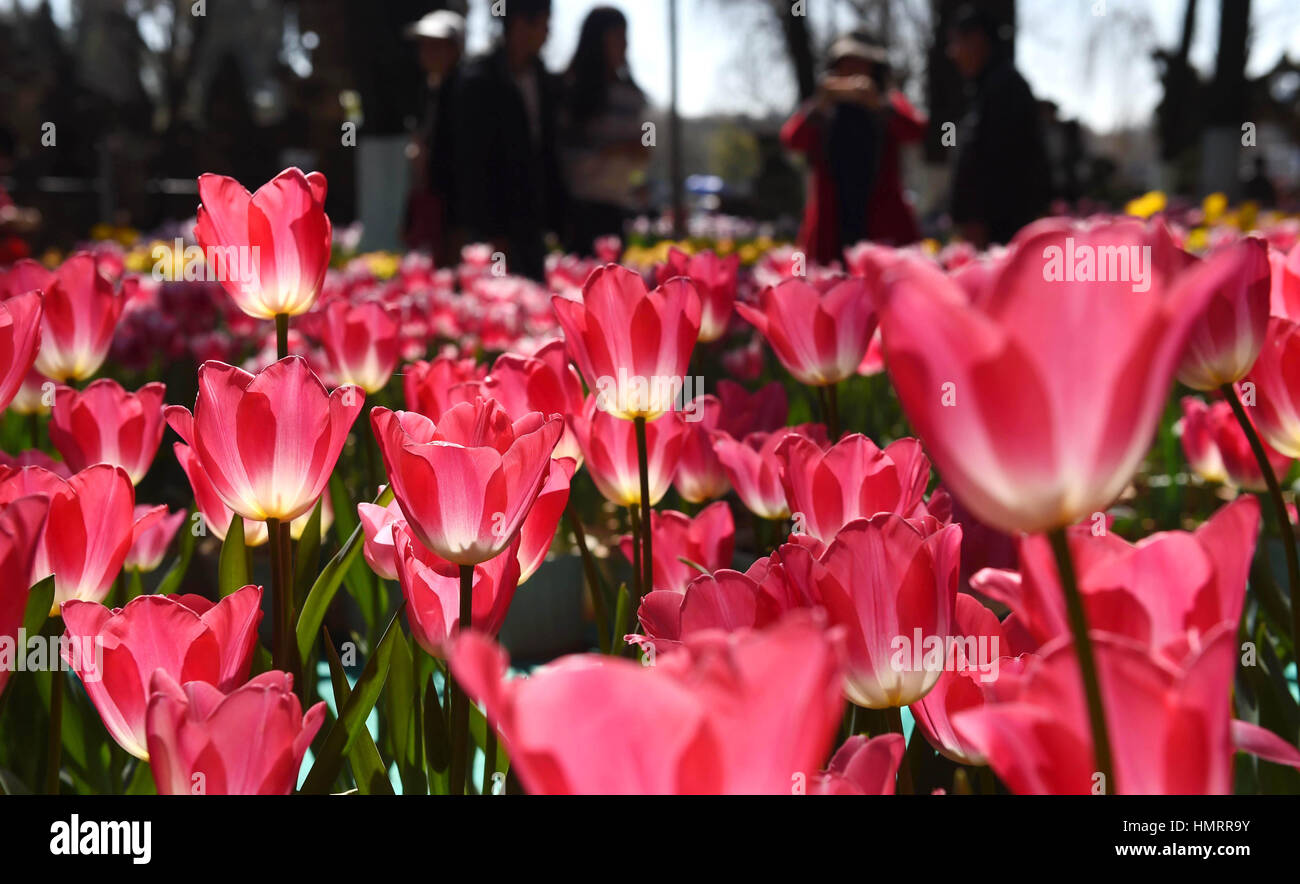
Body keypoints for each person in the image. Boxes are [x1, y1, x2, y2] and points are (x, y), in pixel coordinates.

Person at [781, 32, 926, 264]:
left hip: (882, 216)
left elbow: (917, 131)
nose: (853, 69)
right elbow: (791, 139)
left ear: (874, 67)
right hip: (832, 220)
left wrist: (880, 105)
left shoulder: (887, 100)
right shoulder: (823, 105)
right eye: (846, 62)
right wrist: (818, 106)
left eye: (861, 62)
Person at [447, 0, 565, 281]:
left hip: (532, 220)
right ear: (520, 24)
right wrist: (489, 230)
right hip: (489, 226)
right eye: (544, 25)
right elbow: (470, 161)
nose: (548, 34)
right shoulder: (478, 79)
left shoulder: (545, 79)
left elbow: (548, 153)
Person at [945, 4, 1050, 247]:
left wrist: (977, 219)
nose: (952, 53)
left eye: (956, 42)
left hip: (1000, 234)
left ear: (977, 39)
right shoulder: (986, 88)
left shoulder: (1005, 88)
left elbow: (1002, 166)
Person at [559, 6, 649, 255]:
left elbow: (645, 148)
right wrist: (611, 151)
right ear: (596, 41)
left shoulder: (634, 96)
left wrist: (641, 154)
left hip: (619, 206)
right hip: (579, 210)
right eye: (617, 37)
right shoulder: (570, 92)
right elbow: (564, 154)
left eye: (626, 37)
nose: (624, 45)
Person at [402, 10, 466, 264]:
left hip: (453, 207)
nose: (428, 52)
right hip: (427, 200)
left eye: (437, 45)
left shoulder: (463, 91)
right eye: (424, 45)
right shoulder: (427, 90)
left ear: (455, 49)